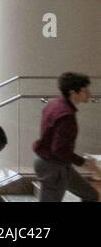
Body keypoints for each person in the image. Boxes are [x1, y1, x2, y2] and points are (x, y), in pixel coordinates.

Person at [33, 72, 99, 202]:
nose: (90, 94)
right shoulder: (66, 115)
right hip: (53, 166)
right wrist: (86, 164)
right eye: (85, 91)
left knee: (90, 194)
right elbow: (59, 150)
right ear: (73, 92)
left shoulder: (54, 105)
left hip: (55, 163)